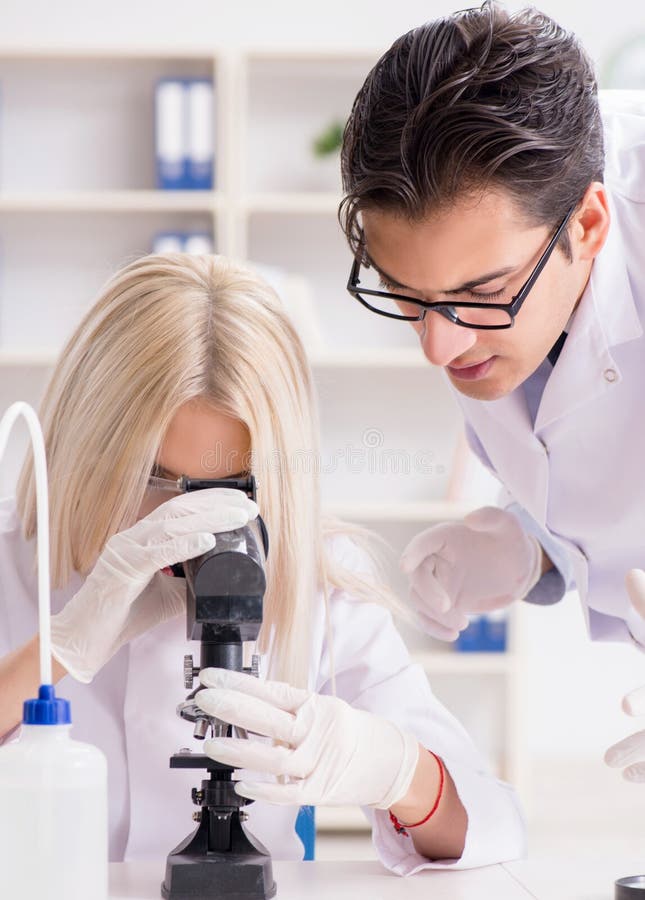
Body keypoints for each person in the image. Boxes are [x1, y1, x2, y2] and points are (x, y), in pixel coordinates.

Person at [0, 253, 525, 873]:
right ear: (87, 447)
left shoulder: (322, 583)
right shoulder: (13, 557)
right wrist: (57, 649)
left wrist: (396, 769)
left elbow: (494, 825)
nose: (184, 527)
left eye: (227, 490)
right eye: (154, 478)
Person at [339, 0, 645, 780]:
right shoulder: (487, 238)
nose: (439, 345)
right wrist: (531, 547)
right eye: (405, 294)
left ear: (587, 225)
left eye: (482, 294)